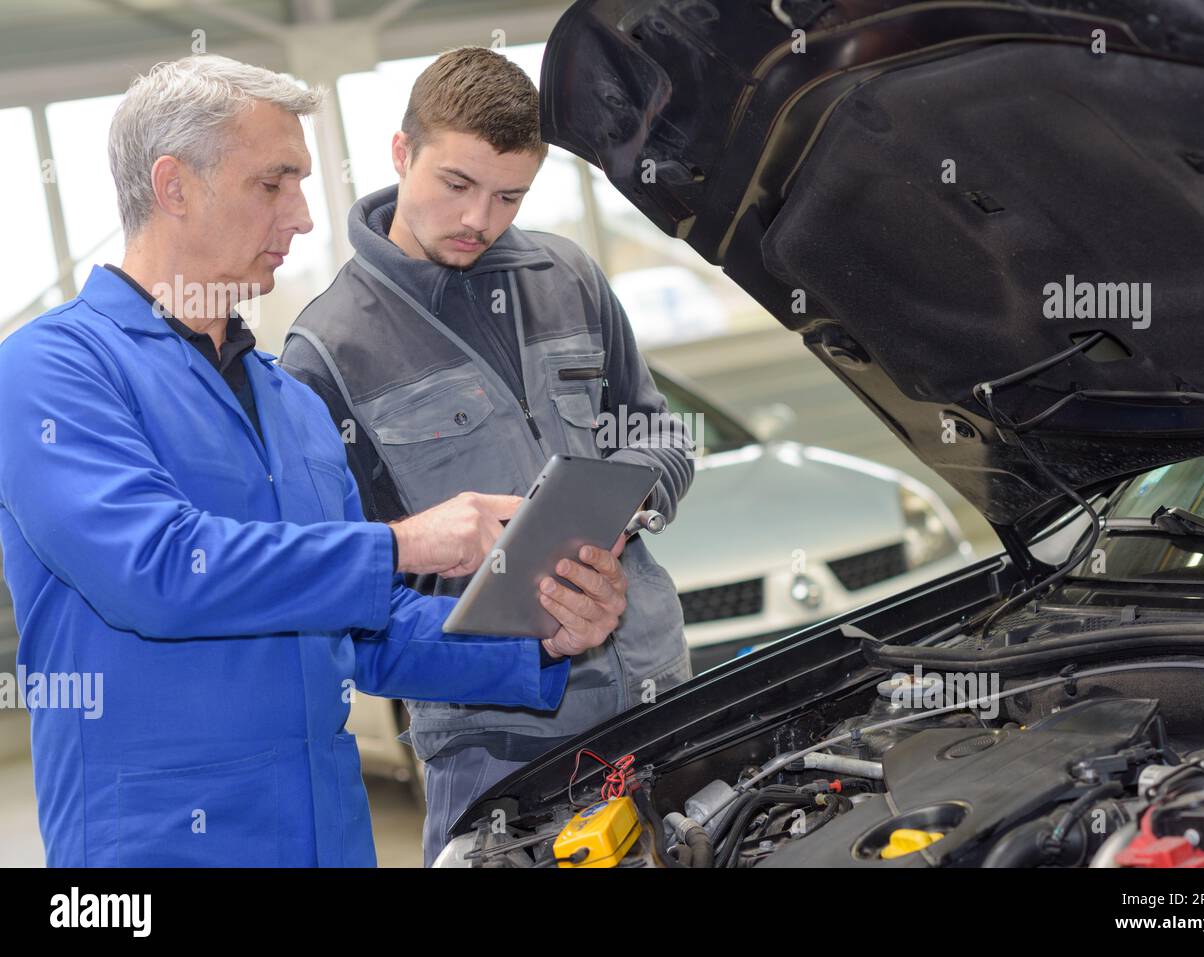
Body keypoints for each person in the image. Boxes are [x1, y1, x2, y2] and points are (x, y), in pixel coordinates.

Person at [0, 54, 626, 867]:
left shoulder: (288, 404)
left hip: (328, 839)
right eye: (274, 184)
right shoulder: (51, 370)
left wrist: (543, 630)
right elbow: (156, 567)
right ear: (174, 185)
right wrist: (407, 543)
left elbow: (366, 627)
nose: (301, 218)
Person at [281, 47, 694, 865]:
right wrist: (521, 636)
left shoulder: (567, 275)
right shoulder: (326, 354)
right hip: (496, 748)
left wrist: (630, 504)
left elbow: (658, 429)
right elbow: (350, 590)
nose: (480, 218)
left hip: (656, 689)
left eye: (510, 195)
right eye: (457, 185)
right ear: (402, 154)